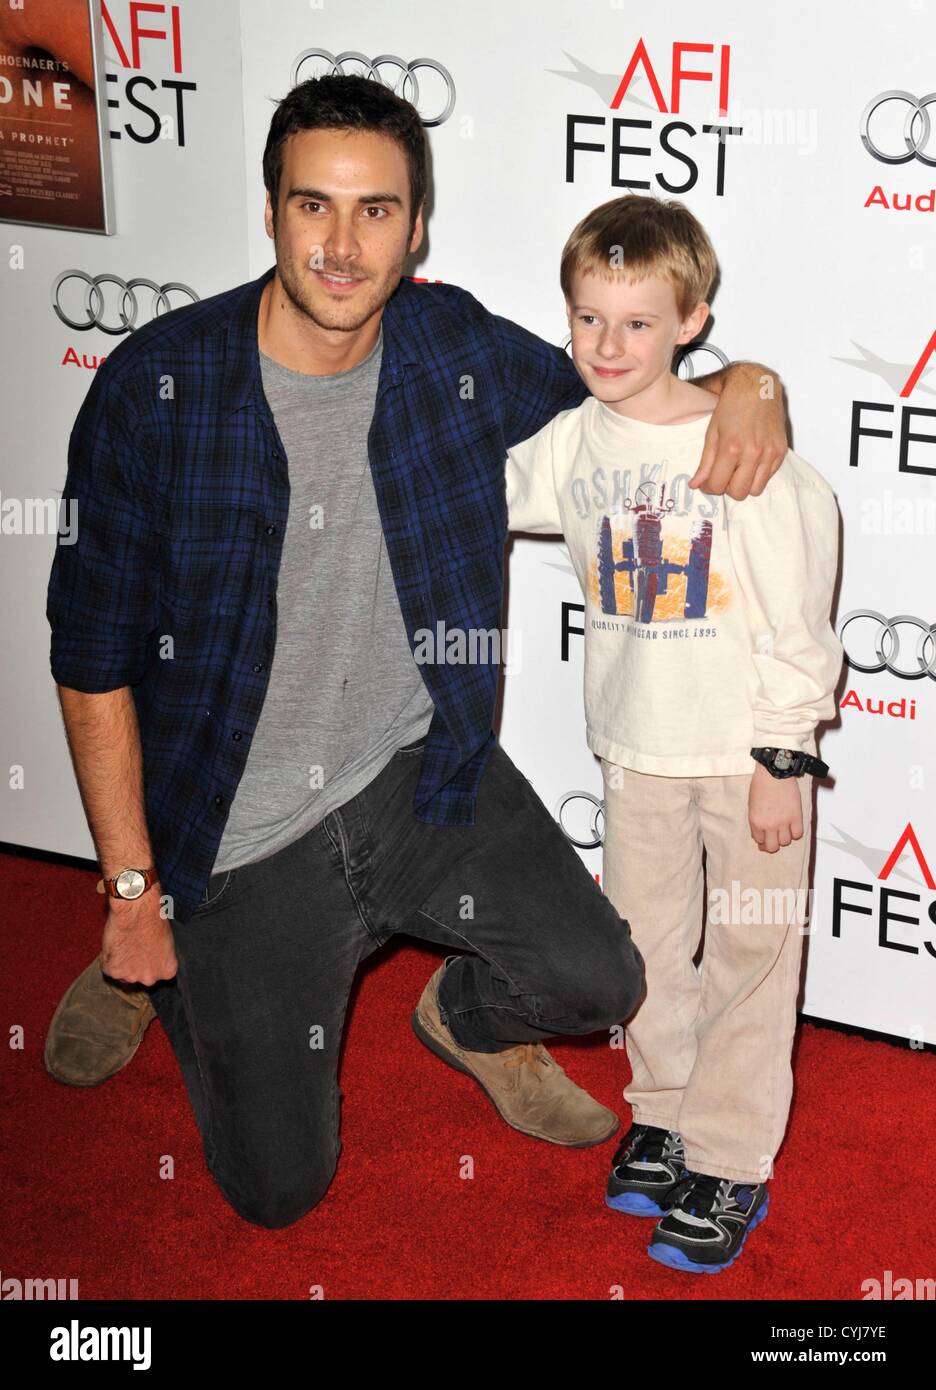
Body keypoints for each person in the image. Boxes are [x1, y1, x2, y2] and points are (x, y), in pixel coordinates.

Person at [44, 77, 789, 1229]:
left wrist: (752, 384)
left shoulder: (453, 345)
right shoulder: (158, 391)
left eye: (376, 211)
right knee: (277, 1191)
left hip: (418, 777)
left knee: (601, 978)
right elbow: (91, 662)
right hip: (239, 829)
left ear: (417, 226)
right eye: (314, 207)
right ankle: (163, 956)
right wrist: (133, 887)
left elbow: (627, 390)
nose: (343, 246)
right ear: (271, 214)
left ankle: (462, 1019)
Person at [505, 193, 842, 1272]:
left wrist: (786, 753)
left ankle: (733, 1160)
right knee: (642, 952)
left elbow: (799, 606)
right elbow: (470, 494)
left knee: (751, 959)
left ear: (692, 319)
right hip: (634, 751)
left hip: (747, 756)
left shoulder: (743, 445)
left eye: (638, 322)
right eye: (588, 318)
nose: (609, 345)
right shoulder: (568, 443)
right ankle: (664, 1109)